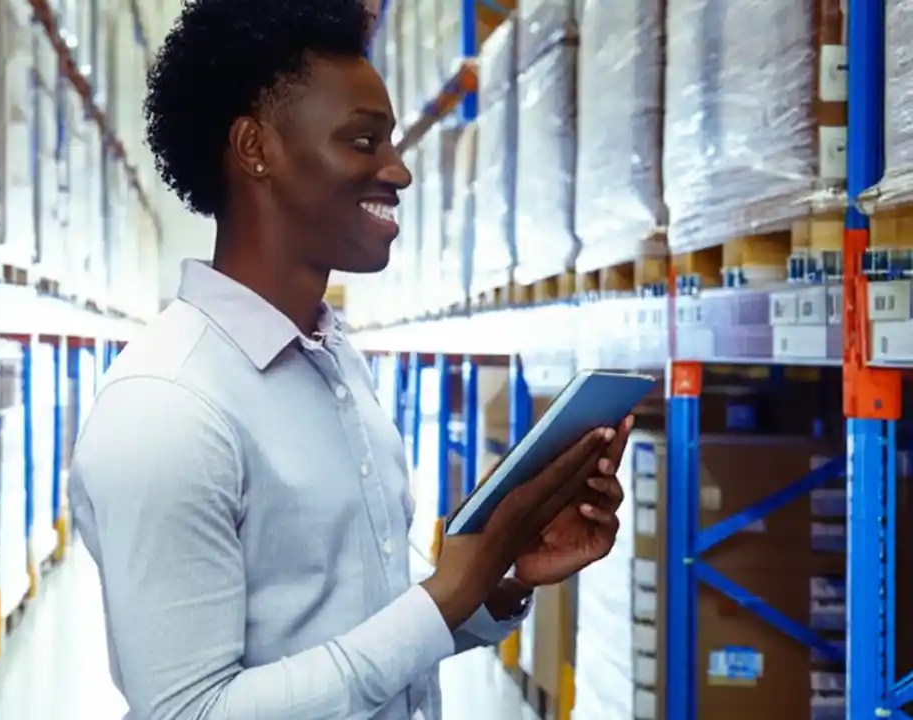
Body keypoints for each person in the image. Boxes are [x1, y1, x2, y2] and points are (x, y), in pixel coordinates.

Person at [68, 1, 632, 718]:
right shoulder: (167, 407)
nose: (398, 171)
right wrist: (445, 594)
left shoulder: (334, 364)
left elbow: (359, 632)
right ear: (255, 148)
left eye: (390, 142)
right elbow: (190, 711)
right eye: (364, 142)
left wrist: (500, 578)